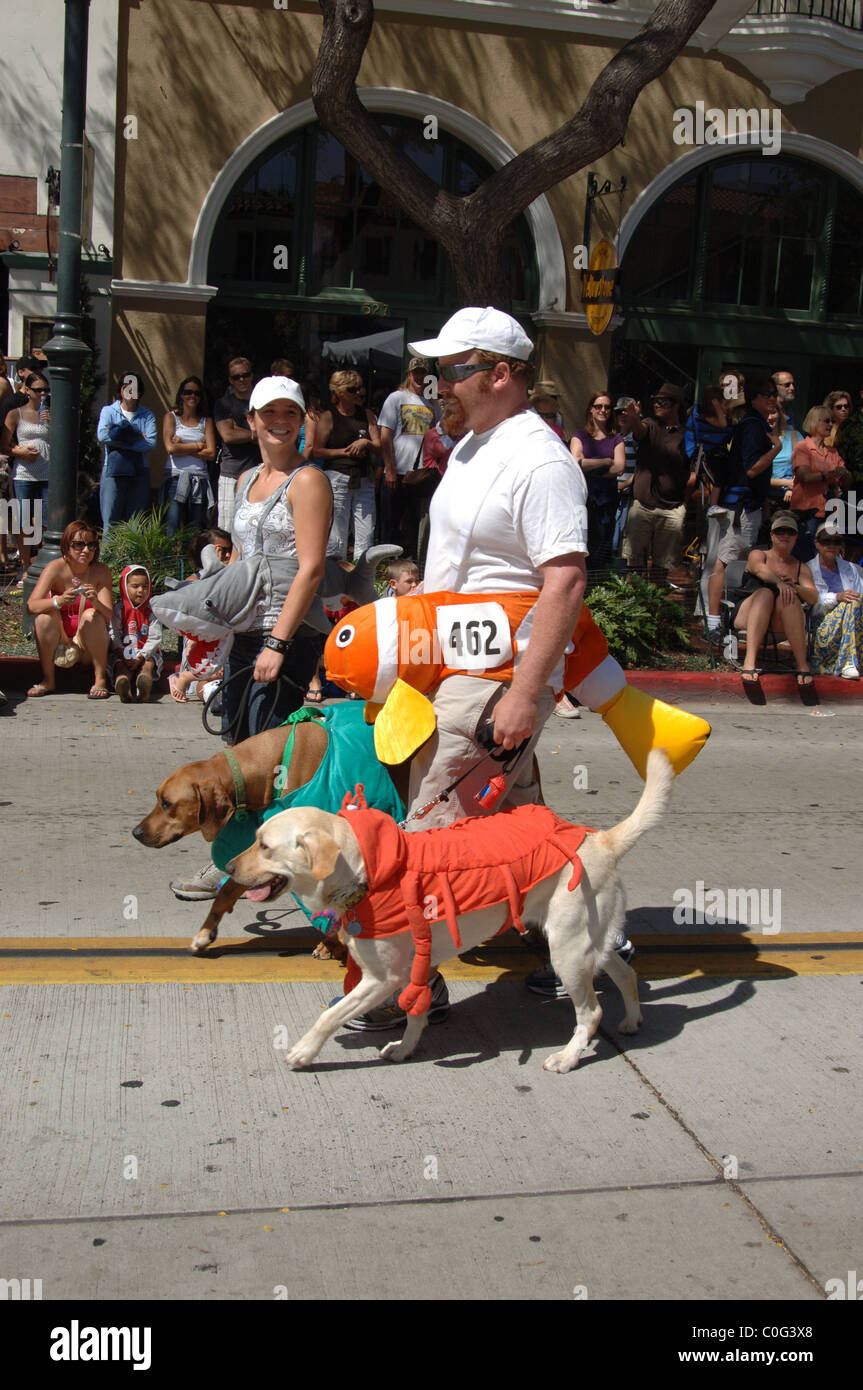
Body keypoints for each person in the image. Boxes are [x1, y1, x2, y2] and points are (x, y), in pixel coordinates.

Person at [170, 375, 333, 901]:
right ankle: (240, 861)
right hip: (247, 636)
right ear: (252, 420)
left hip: (286, 635)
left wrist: (278, 644)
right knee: (237, 756)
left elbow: (309, 570)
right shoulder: (243, 481)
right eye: (269, 413)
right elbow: (239, 563)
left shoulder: (309, 481)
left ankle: (253, 870)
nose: (279, 421)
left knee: (273, 766)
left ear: (302, 420)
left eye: (291, 412)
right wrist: (218, 626)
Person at [703, 377, 780, 633]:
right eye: (768, 394)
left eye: (774, 395)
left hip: (746, 505)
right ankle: (713, 623)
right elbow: (751, 470)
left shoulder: (754, 424)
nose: (773, 399)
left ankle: (724, 618)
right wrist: (776, 448)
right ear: (755, 398)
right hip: (740, 509)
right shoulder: (752, 427)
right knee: (724, 562)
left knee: (730, 561)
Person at [731, 512, 818, 702]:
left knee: (791, 598)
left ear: (796, 537)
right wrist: (779, 583)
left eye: (790, 532)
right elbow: (757, 569)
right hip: (748, 612)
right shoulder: (759, 554)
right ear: (771, 535)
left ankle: (802, 665)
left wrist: (795, 587)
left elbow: (813, 597)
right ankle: (749, 662)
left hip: (779, 622)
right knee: (766, 594)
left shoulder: (800, 567)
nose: (784, 535)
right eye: (780, 531)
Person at [25, 520, 114, 698]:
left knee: (91, 615)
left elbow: (108, 615)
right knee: (43, 618)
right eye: (79, 545)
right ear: (67, 545)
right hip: (61, 642)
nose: (86, 550)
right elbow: (31, 606)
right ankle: (48, 679)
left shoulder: (101, 571)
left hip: (87, 644)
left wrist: (95, 601)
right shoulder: (55, 568)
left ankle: (100, 679)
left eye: (91, 545)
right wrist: (59, 601)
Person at [619, 383, 693, 583]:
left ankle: (655, 610)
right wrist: (634, 418)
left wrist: (684, 505)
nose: (658, 404)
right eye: (655, 401)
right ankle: (631, 607)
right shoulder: (650, 425)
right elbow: (640, 431)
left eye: (663, 401)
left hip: (672, 509)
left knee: (662, 568)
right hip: (642, 507)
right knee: (634, 565)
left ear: (676, 405)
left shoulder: (687, 434)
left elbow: (692, 473)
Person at [304, 369, 379, 559]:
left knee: (366, 530)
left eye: (359, 389)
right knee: (337, 530)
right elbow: (317, 450)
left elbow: (379, 446)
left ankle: (361, 575)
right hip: (337, 476)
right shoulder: (329, 417)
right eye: (352, 389)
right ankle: (336, 574)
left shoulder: (367, 414)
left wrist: (367, 443)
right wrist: (344, 451)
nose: (358, 394)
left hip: (363, 477)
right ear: (339, 392)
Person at [377, 357, 436, 549]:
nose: (419, 376)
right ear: (409, 374)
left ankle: (408, 565)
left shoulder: (433, 403)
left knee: (413, 525)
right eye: (415, 372)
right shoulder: (396, 398)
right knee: (390, 524)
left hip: (420, 475)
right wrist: (389, 469)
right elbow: (385, 435)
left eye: (423, 373)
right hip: (397, 471)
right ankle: (384, 568)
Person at [0, 372, 51, 576]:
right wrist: (19, 451)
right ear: (27, 390)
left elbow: (63, 440)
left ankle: (45, 567)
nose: (42, 394)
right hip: (24, 475)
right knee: (24, 522)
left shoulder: (50, 413)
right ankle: (26, 567)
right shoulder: (15, 414)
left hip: (47, 474)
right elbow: (4, 445)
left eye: (46, 390)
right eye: (38, 390)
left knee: (45, 522)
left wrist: (53, 422)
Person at [788, 406, 852, 560]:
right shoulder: (803, 447)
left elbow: (847, 483)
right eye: (827, 421)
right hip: (807, 512)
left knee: (828, 557)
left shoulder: (833, 452)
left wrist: (845, 474)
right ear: (815, 422)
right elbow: (804, 476)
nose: (830, 424)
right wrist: (829, 475)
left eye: (832, 421)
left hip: (831, 512)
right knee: (808, 555)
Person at [570, 392, 625, 571]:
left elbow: (619, 468)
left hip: (606, 504)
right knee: (581, 546)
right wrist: (605, 461)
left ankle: (597, 588)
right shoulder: (580, 436)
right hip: (583, 501)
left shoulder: (616, 439)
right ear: (591, 410)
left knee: (601, 549)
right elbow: (575, 463)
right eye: (598, 406)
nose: (603, 410)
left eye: (607, 407)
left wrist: (590, 468)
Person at [97, 373, 157, 528]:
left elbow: (150, 443)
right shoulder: (109, 411)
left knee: (135, 524)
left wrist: (118, 442)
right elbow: (103, 435)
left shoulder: (147, 415)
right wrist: (136, 437)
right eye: (127, 386)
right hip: (113, 470)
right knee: (110, 522)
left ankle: (131, 554)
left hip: (140, 471)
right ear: (121, 389)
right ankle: (108, 553)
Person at [161, 377, 217, 536]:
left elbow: (211, 453)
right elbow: (170, 448)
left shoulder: (206, 421)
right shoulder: (171, 417)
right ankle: (172, 561)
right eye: (188, 392)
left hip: (199, 479)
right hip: (176, 477)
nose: (192, 396)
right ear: (181, 395)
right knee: (171, 528)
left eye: (197, 393)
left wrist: (182, 446)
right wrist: (198, 445)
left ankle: (191, 561)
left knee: (194, 530)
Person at [809, 520, 863, 679]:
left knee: (855, 601)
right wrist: (837, 597)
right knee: (852, 602)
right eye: (826, 541)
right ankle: (848, 662)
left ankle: (849, 661)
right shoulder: (807, 569)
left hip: (854, 621)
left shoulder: (851, 568)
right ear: (817, 544)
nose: (831, 545)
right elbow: (811, 602)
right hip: (823, 626)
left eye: (836, 541)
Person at [213, 356, 260, 532]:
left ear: (251, 375)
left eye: (245, 375)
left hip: (258, 472)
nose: (241, 379)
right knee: (227, 529)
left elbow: (268, 432)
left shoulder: (261, 403)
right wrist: (255, 434)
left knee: (253, 527)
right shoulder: (224, 404)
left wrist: (239, 430)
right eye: (236, 377)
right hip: (231, 473)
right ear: (230, 380)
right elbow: (228, 435)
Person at [109, 565, 163, 702]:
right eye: (135, 586)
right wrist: (122, 651)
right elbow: (114, 633)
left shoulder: (152, 611)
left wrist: (142, 655)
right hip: (123, 651)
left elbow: (155, 637)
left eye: (145, 586)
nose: (141, 591)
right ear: (124, 587)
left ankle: (144, 683)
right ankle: (122, 683)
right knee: (121, 666)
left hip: (145, 652)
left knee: (148, 663)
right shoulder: (118, 610)